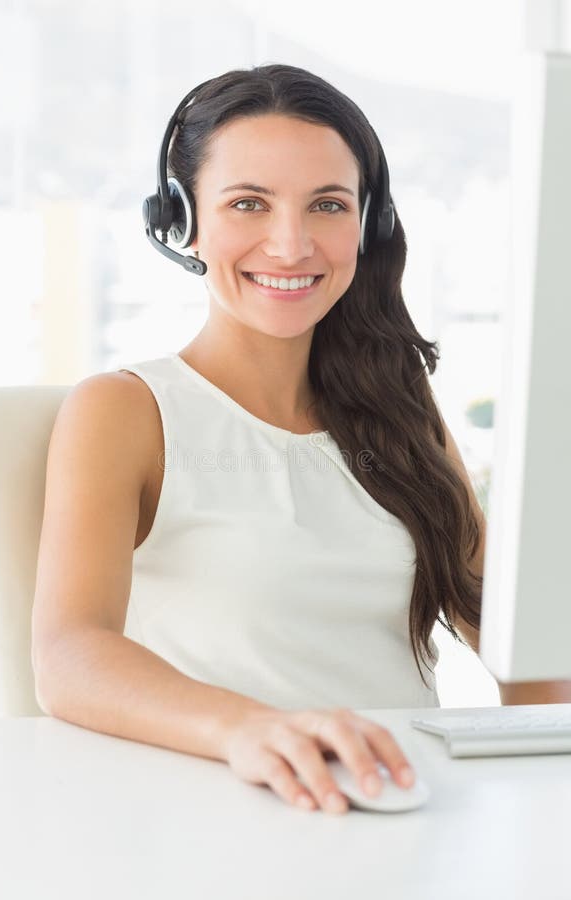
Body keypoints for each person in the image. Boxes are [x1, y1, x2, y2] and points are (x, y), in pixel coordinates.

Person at [31, 63, 486, 817]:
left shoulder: (401, 408)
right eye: (248, 203)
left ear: (366, 226)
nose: (290, 243)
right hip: (222, 817)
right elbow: (69, 655)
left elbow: (511, 631)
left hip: (404, 813)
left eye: (328, 205)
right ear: (183, 222)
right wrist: (253, 728)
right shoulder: (124, 410)